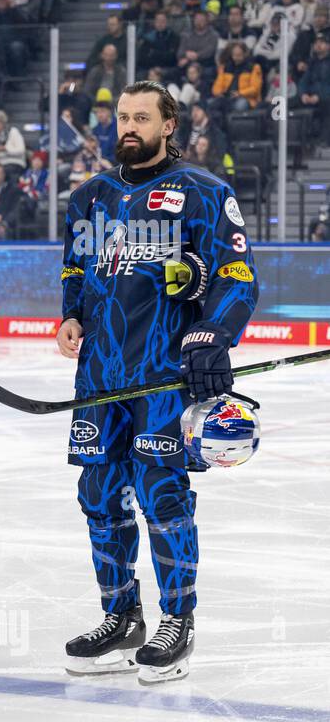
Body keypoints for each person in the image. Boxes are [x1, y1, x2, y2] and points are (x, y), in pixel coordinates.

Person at [57, 81, 258, 683]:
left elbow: (238, 276)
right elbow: (76, 267)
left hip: (162, 377)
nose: (128, 126)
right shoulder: (89, 197)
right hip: (100, 377)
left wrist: (213, 333)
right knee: (98, 496)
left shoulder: (203, 192)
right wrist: (69, 314)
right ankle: (121, 615)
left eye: (141, 117)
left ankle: (178, 620)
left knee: (162, 498)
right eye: (122, 116)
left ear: (168, 125)